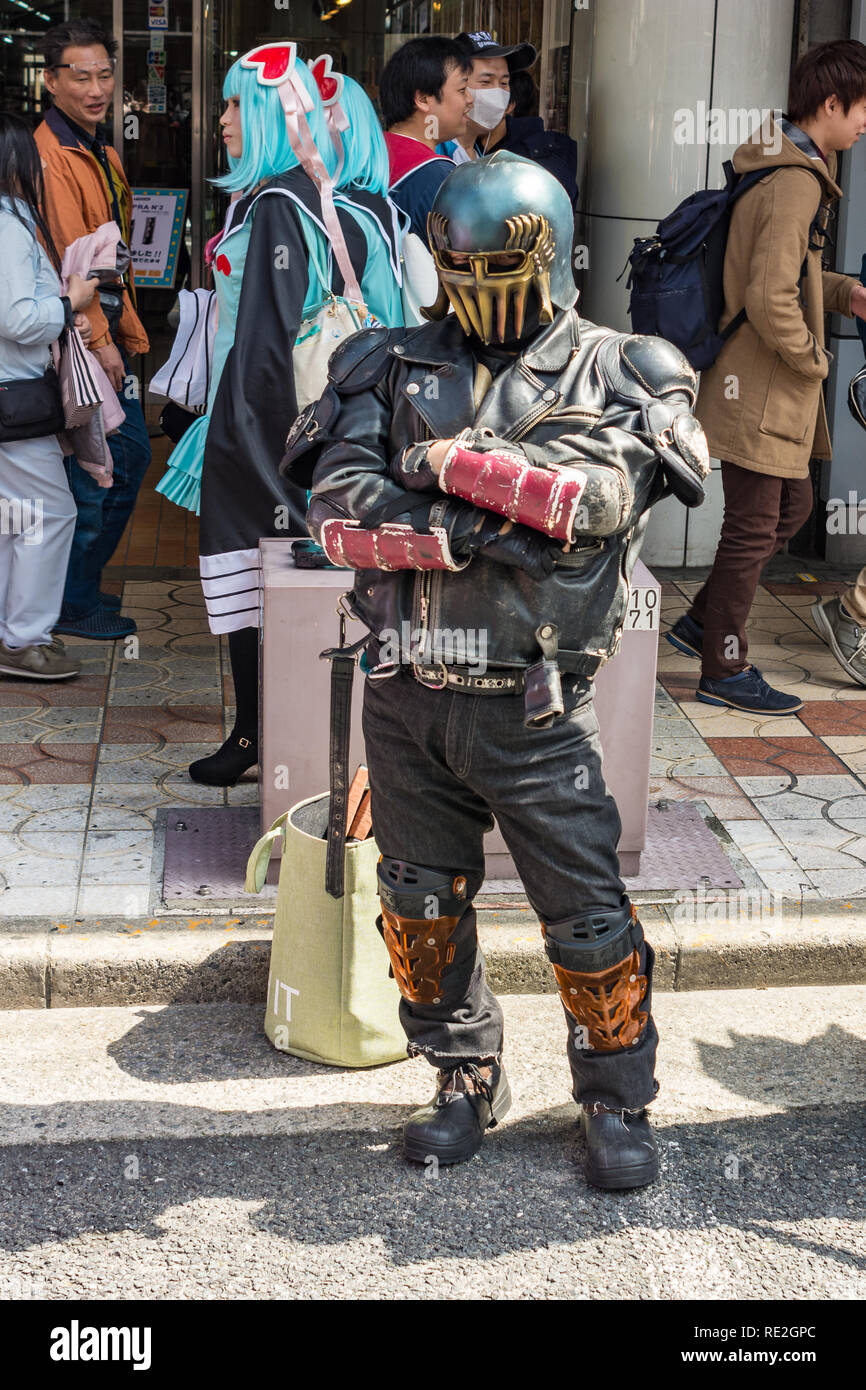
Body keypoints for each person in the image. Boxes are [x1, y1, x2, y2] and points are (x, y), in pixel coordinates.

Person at [284, 151, 709, 1188]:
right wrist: (483, 516)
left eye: (502, 269)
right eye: (462, 270)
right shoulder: (380, 363)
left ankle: (613, 1095)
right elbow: (334, 513)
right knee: (419, 901)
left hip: (535, 701)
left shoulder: (627, 367)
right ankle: (462, 1072)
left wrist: (426, 471)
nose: (483, 296)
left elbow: (595, 505)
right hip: (405, 691)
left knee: (586, 911)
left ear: (562, 256)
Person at [157, 43, 403, 788]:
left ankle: (262, 736)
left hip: (271, 433)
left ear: (273, 115)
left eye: (237, 105)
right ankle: (320, 742)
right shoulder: (364, 206)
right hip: (351, 432)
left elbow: (265, 353)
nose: (223, 120)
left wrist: (255, 463)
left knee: (257, 582)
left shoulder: (278, 205)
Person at [667, 40, 866, 713]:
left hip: (758, 381)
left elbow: (792, 278)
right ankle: (723, 668)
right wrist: (815, 358)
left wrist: (846, 295)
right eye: (862, 109)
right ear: (832, 103)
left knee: (792, 509)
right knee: (755, 525)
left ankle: (702, 622)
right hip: (760, 386)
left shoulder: (786, 165)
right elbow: (769, 296)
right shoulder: (795, 180)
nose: (865, 124)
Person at [36, 17, 150, 642]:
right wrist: (104, 343)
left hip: (104, 328)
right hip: (80, 338)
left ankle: (73, 587)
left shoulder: (97, 149)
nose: (95, 86)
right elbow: (71, 261)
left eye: (104, 74)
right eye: (79, 76)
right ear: (51, 82)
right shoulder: (54, 157)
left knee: (112, 461)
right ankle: (71, 598)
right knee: (112, 462)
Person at [0, 113, 97, 680]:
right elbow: (15, 317)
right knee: (51, 512)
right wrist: (71, 303)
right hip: (16, 399)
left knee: (16, 518)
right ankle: (23, 639)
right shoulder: (11, 224)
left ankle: (15, 631)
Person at [438, 34, 578, 208]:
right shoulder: (435, 157)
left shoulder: (480, 156)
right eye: (486, 81)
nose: (497, 93)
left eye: (504, 83)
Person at [380, 37, 473, 245]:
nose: (470, 100)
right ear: (423, 99)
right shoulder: (440, 179)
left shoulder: (366, 160)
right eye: (462, 90)